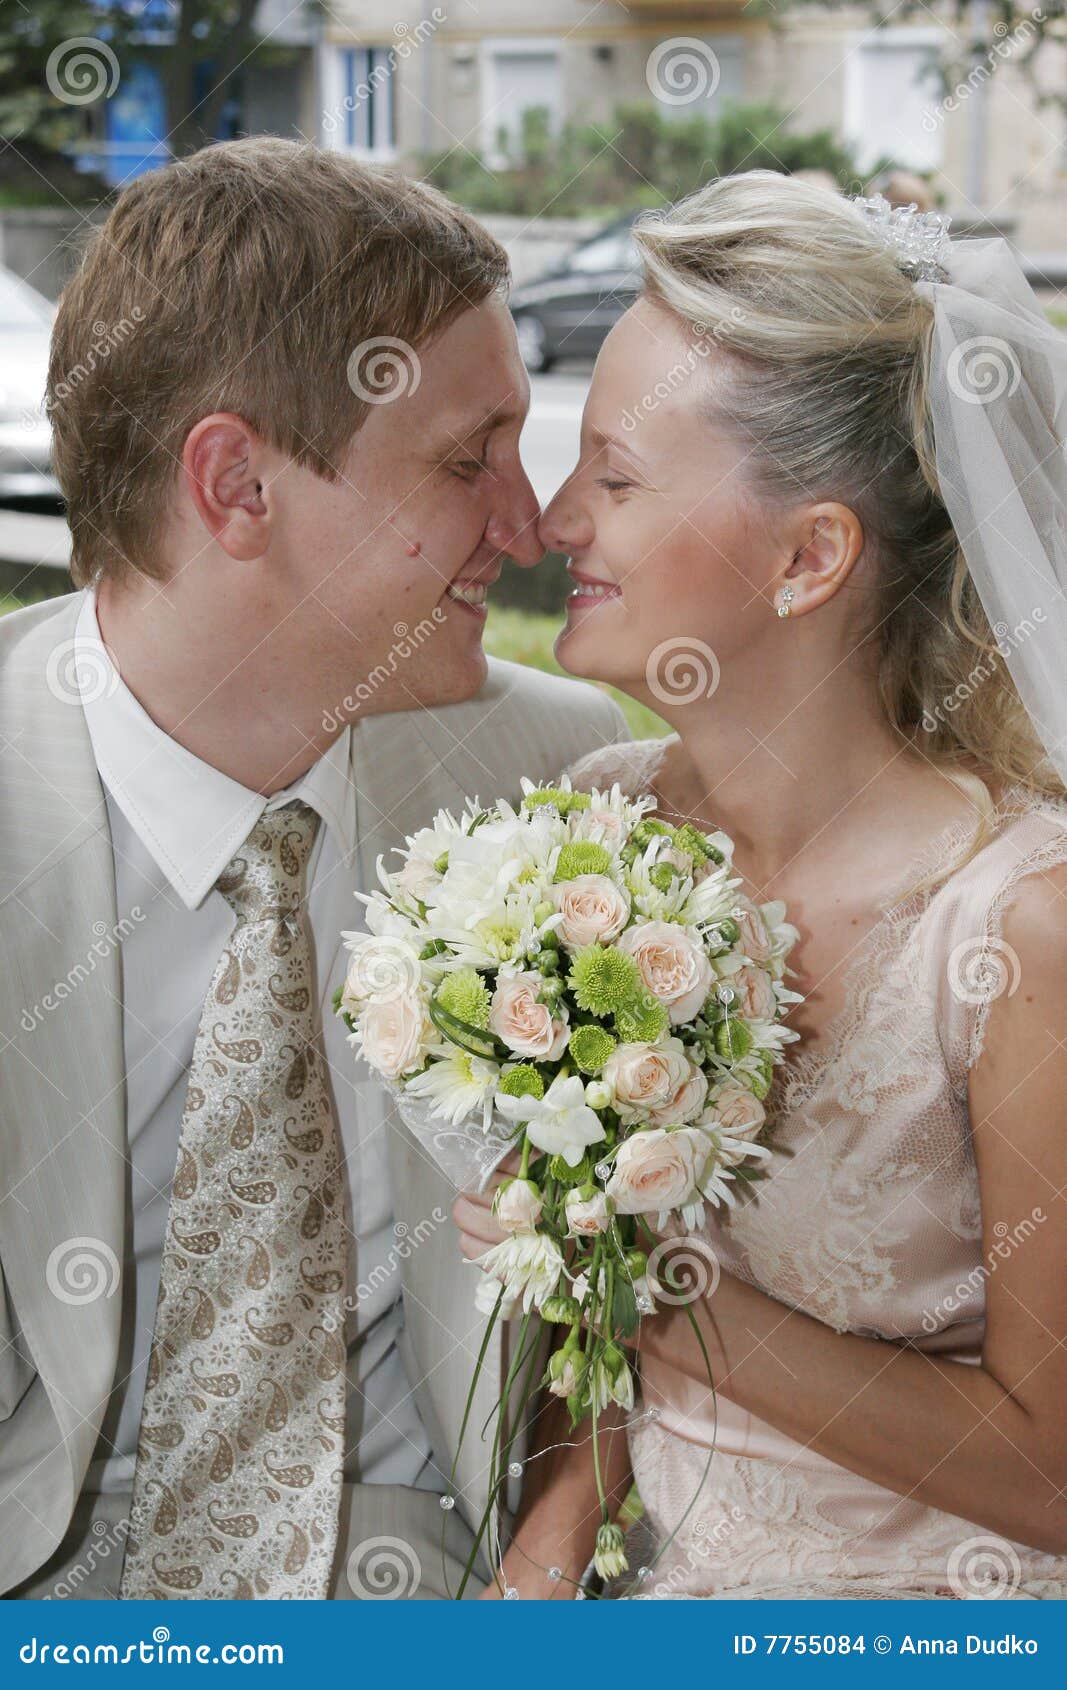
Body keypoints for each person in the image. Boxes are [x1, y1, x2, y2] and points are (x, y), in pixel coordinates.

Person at [0, 138, 626, 1600]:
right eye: (468, 460)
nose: (527, 527)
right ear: (236, 486)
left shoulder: (554, 784)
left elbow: (629, 1283)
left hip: (437, 1567)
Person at [454, 172, 1067, 1599]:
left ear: (809, 558)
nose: (551, 520)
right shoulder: (594, 837)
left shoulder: (1018, 927)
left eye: (613, 476)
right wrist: (538, 1572)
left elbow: (1053, 1474)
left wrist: (659, 1292)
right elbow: (590, 1377)